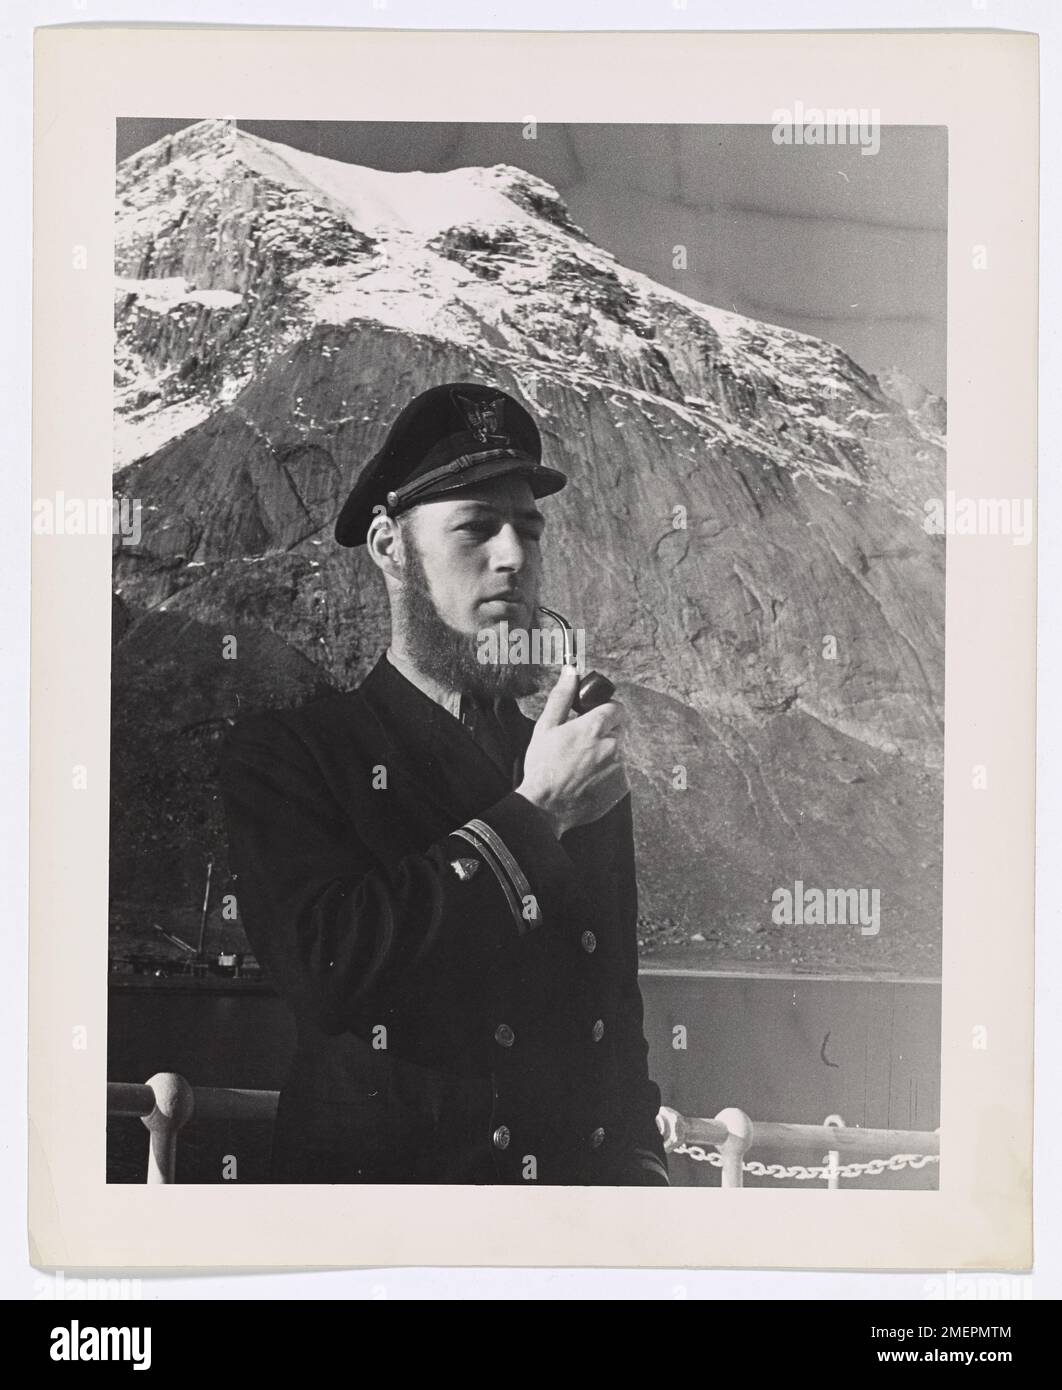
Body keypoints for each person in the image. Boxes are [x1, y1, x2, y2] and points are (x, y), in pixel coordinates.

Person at [219, 382, 669, 1185]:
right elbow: (332, 968)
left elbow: (614, 1014)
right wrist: (536, 815)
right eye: (476, 528)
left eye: (528, 530)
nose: (514, 558)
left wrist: (643, 1172)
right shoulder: (291, 755)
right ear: (391, 547)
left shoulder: (561, 757)